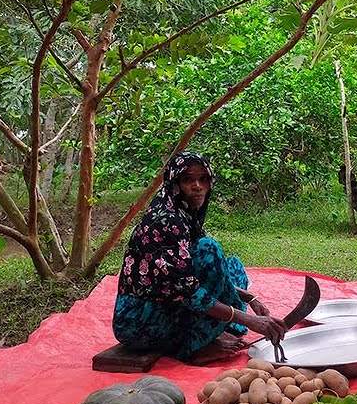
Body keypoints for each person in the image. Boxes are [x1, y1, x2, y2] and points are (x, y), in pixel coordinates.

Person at [112, 151, 287, 365]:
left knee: (231, 267)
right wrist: (251, 321)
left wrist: (250, 298)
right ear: (174, 184)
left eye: (203, 179)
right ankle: (194, 345)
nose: (197, 186)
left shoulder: (183, 214)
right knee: (209, 249)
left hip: (169, 301)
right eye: (188, 180)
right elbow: (189, 292)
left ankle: (214, 327)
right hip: (138, 323)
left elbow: (192, 276)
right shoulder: (164, 222)